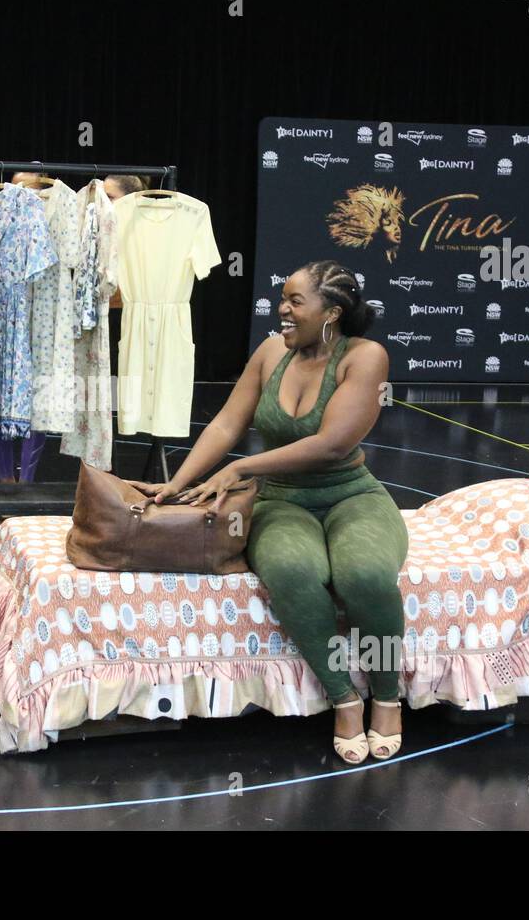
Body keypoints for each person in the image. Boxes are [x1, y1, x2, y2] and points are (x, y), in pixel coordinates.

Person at [127, 260, 408, 765]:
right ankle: (344, 698)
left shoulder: (364, 357)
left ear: (332, 312)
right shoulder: (269, 353)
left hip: (351, 494)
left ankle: (387, 697)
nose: (282, 309)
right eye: (282, 298)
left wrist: (241, 469)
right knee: (293, 570)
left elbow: (331, 445)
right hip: (281, 499)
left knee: (364, 573)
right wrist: (177, 483)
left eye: (295, 301)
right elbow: (225, 425)